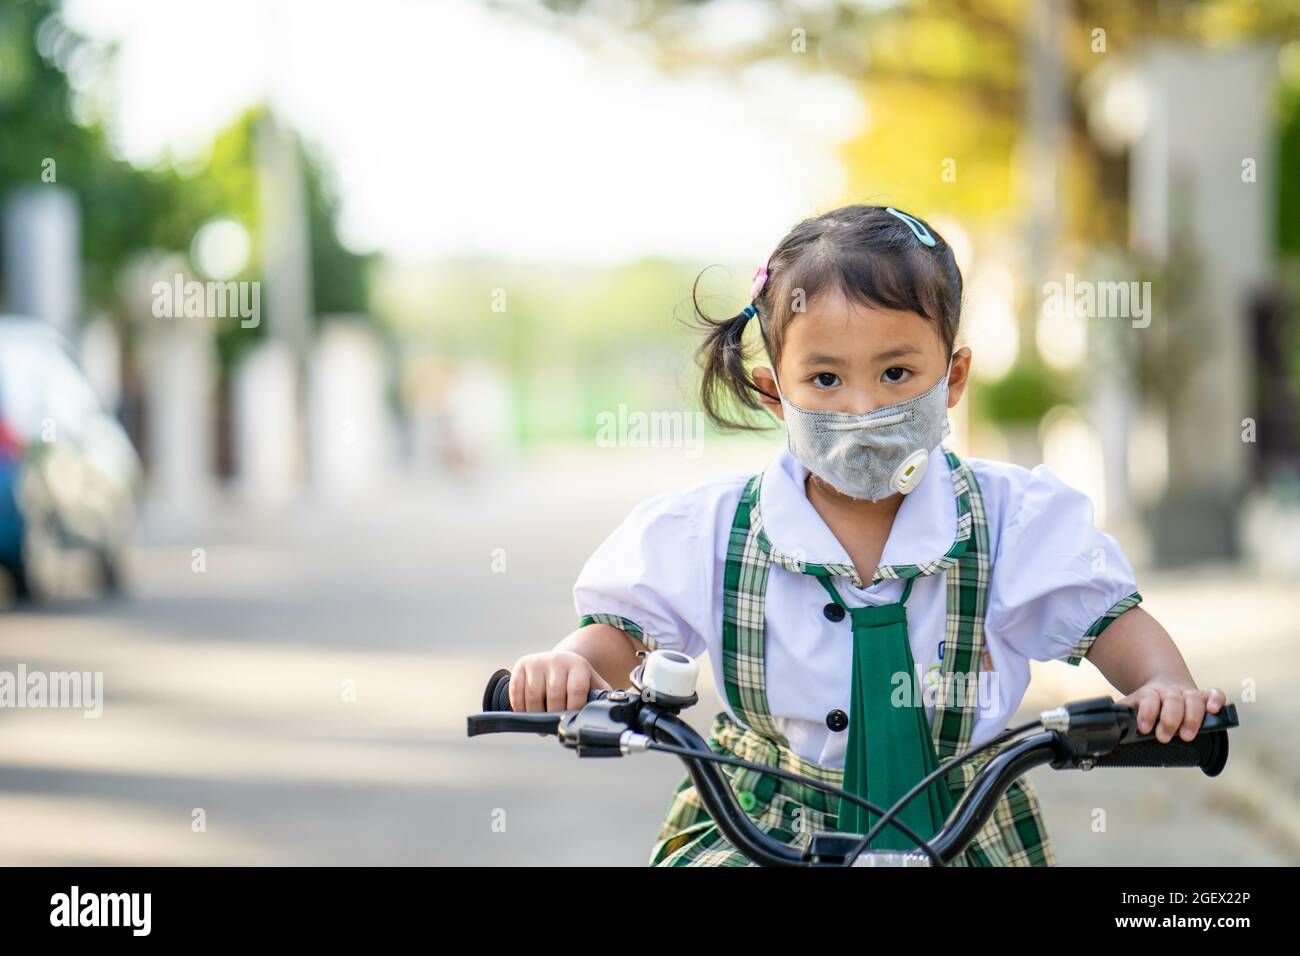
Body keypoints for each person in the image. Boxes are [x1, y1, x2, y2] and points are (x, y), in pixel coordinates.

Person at [508, 204, 1227, 866]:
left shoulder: (1011, 520)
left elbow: (1111, 621)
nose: (862, 407)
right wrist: (572, 666)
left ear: (953, 377)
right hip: (766, 824)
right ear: (773, 392)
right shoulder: (713, 529)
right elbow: (618, 631)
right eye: (824, 378)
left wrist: (1163, 685)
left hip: (963, 820)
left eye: (896, 372)